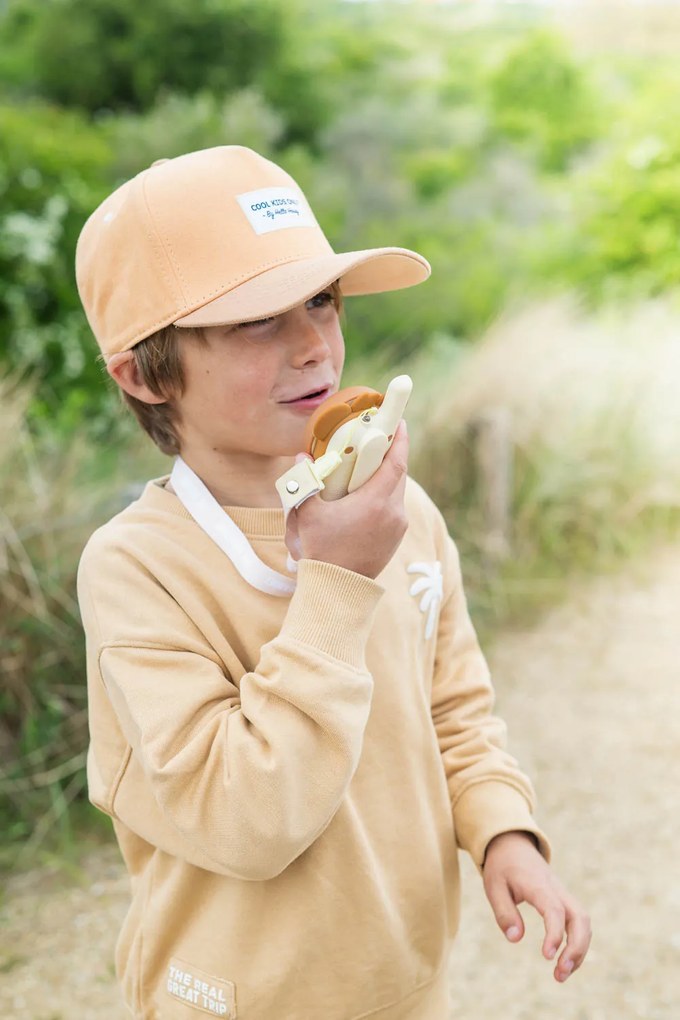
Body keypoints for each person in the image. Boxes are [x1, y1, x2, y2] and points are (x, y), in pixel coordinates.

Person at [75, 145, 590, 1020]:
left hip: (407, 987)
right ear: (144, 372)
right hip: (232, 1002)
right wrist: (335, 584)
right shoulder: (138, 568)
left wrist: (502, 829)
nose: (313, 343)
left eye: (321, 300)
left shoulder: (402, 511)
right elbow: (245, 820)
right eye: (255, 321)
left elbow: (451, 710)